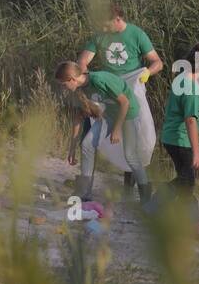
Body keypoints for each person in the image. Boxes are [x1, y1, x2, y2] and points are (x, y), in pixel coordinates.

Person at [77, 5, 162, 199]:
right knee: (90, 141)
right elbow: (82, 61)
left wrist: (148, 72)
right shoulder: (100, 35)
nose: (104, 29)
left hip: (131, 90)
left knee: (136, 139)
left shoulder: (137, 34)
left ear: (117, 19)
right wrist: (86, 76)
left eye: (107, 25)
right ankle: (85, 190)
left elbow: (157, 62)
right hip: (108, 91)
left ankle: (134, 188)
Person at [57, 62, 151, 203]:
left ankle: (146, 196)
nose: (63, 88)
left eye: (63, 84)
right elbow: (78, 118)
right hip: (109, 115)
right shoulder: (79, 89)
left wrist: (117, 128)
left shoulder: (99, 80)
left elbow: (125, 103)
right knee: (87, 144)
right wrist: (71, 148)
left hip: (129, 114)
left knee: (130, 155)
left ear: (72, 79)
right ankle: (85, 193)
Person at [160, 42, 199, 204]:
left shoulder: (182, 80)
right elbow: (190, 120)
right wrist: (197, 152)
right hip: (181, 140)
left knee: (185, 180)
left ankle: (182, 216)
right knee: (186, 181)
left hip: (172, 138)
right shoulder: (190, 86)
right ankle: (156, 203)